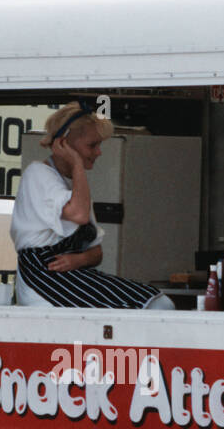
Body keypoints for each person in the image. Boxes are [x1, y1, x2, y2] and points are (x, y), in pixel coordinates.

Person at [10, 101, 175, 310]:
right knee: (154, 307)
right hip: (43, 280)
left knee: (158, 301)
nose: (99, 152)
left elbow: (96, 252)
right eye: (92, 145)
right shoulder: (37, 174)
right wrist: (77, 164)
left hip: (73, 274)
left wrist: (77, 260)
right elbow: (79, 215)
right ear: (65, 144)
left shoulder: (75, 186)